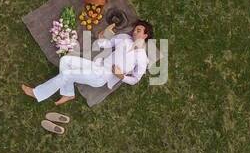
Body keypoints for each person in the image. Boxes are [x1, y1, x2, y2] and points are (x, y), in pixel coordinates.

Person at [22, 20, 153, 105]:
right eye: (135, 28)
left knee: (67, 74)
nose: (134, 31)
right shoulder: (125, 38)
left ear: (145, 36)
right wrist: (102, 38)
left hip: (102, 76)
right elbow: (107, 44)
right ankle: (68, 93)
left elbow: (135, 79)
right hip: (97, 66)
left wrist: (121, 76)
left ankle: (37, 93)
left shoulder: (142, 58)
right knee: (65, 60)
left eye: (139, 30)